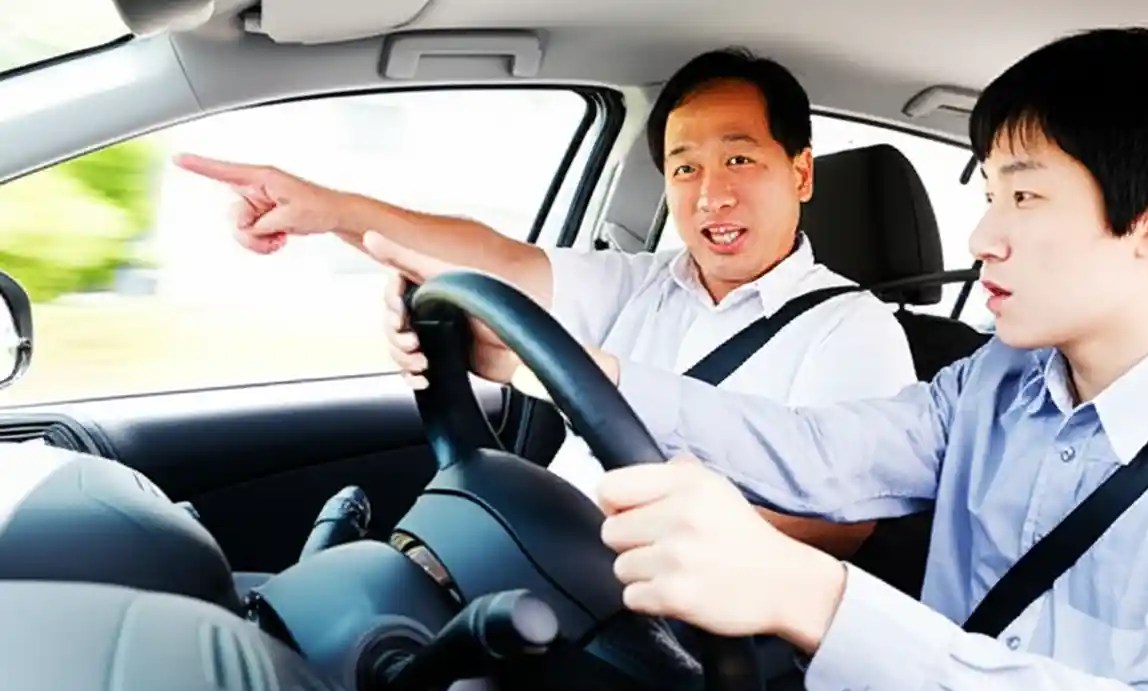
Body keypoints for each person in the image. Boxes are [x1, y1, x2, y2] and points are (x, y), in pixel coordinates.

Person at [576, 27, 1148, 691]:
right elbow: (817, 453)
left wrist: (815, 599)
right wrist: (584, 375)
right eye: (989, 197)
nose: (980, 241)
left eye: (1025, 198)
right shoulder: (993, 383)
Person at [174, 48, 919, 558]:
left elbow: (834, 527)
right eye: (684, 167)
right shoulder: (642, 283)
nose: (710, 192)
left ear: (801, 173)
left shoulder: (854, 331)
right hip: (539, 564)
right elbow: (496, 260)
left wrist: (628, 551)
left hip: (674, 627)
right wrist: (328, 209)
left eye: (739, 159)